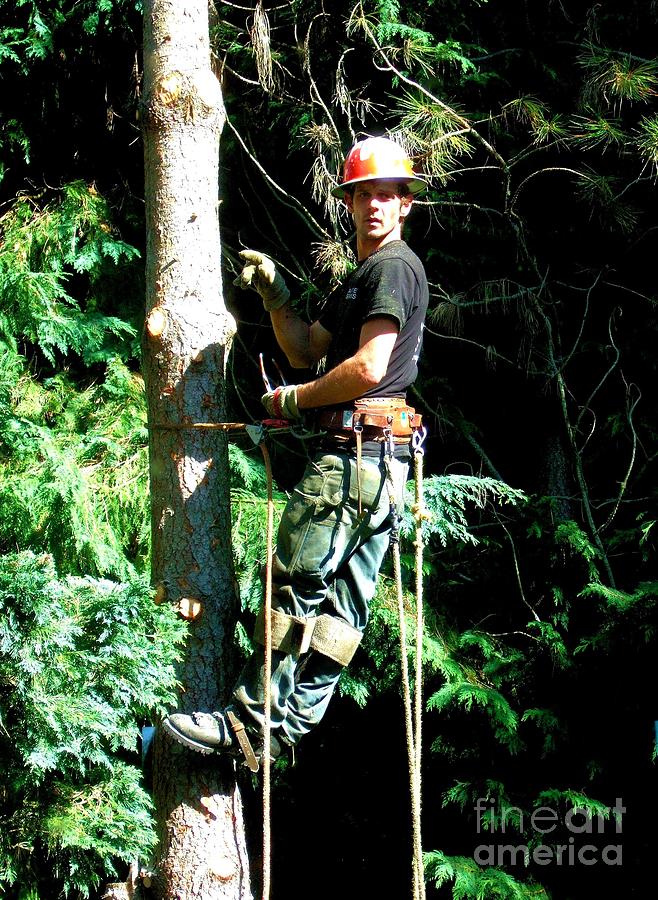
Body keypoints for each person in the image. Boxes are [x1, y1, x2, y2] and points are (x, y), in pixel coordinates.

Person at [163, 136, 429, 768]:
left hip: (355, 459)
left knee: (293, 588)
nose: (373, 205)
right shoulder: (366, 276)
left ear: (404, 205)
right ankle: (286, 727)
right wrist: (277, 296)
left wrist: (294, 401)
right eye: (363, 193)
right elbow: (308, 348)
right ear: (350, 201)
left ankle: (246, 722)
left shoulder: (391, 267)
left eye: (386, 195)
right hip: (383, 465)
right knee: (341, 613)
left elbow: (367, 368)